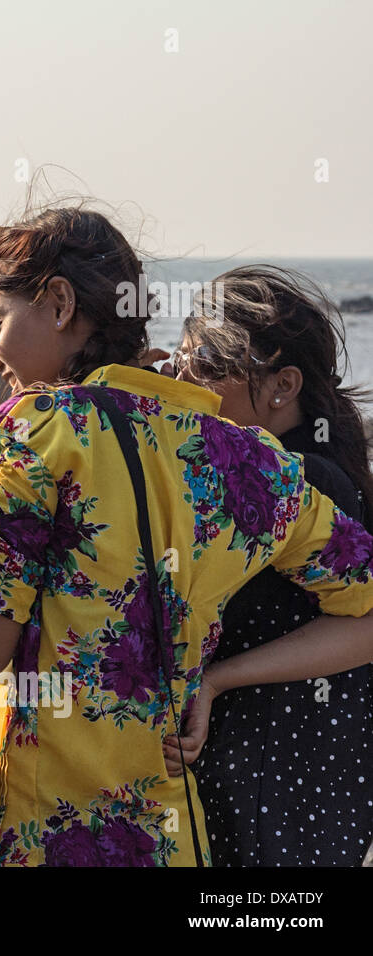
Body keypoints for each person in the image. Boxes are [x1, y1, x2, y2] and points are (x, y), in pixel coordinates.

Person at [0, 205, 373, 866]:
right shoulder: (240, 456)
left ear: (59, 304)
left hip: (40, 838)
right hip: (167, 844)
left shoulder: (39, 428)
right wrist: (212, 678)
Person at [157, 266, 373, 866]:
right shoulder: (291, 468)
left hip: (284, 764)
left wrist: (219, 679)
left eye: (203, 366)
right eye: (178, 361)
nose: (183, 379)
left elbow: (367, 623)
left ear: (282, 386)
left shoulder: (301, 479)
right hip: (288, 759)